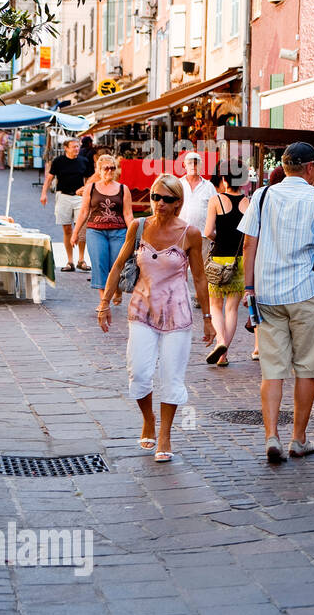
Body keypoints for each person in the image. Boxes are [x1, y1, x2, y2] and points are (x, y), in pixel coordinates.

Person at [96, 175, 214, 462]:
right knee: (138, 373)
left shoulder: (191, 234)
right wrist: (104, 303)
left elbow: (199, 277)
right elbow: (119, 264)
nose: (160, 203)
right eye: (156, 197)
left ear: (178, 203)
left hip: (177, 313)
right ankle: (148, 419)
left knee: (172, 376)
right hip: (141, 309)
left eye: (168, 199)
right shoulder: (138, 227)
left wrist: (208, 318)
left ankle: (165, 435)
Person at [240, 142, 314, 464]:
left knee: (272, 371)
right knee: (306, 369)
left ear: (285, 167)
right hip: (306, 292)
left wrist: (249, 287)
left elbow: (248, 245)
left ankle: (272, 436)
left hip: (267, 293)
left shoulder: (262, 196)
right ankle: (298, 439)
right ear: (311, 168)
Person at [203, 160, 251, 367]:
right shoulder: (248, 202)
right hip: (239, 261)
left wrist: (217, 239)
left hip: (218, 260)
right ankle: (223, 354)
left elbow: (207, 232)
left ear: (223, 179)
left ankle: (220, 341)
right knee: (232, 309)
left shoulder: (216, 200)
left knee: (215, 305)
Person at [73, 154, 133, 292]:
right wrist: (75, 233)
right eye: (106, 168)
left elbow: (128, 215)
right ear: (99, 170)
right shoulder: (91, 188)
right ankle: (104, 302)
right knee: (99, 264)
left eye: (112, 168)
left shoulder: (123, 189)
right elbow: (83, 212)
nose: (109, 171)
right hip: (95, 231)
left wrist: (134, 235)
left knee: (116, 265)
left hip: (119, 232)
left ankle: (116, 290)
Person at [40, 137, 94, 271]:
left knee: (81, 230)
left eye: (78, 146)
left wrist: (87, 191)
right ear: (66, 148)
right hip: (63, 196)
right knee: (67, 230)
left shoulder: (84, 161)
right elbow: (50, 177)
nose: (77, 149)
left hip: (79, 198)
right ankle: (70, 261)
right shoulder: (59, 161)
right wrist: (43, 193)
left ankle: (81, 259)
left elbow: (89, 179)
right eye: (74, 146)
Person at [179, 151, 216, 233]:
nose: (193, 166)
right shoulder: (178, 184)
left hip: (202, 235)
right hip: (180, 235)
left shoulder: (209, 187)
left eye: (196, 163)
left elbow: (216, 210)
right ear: (184, 165)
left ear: (200, 165)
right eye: (190, 163)